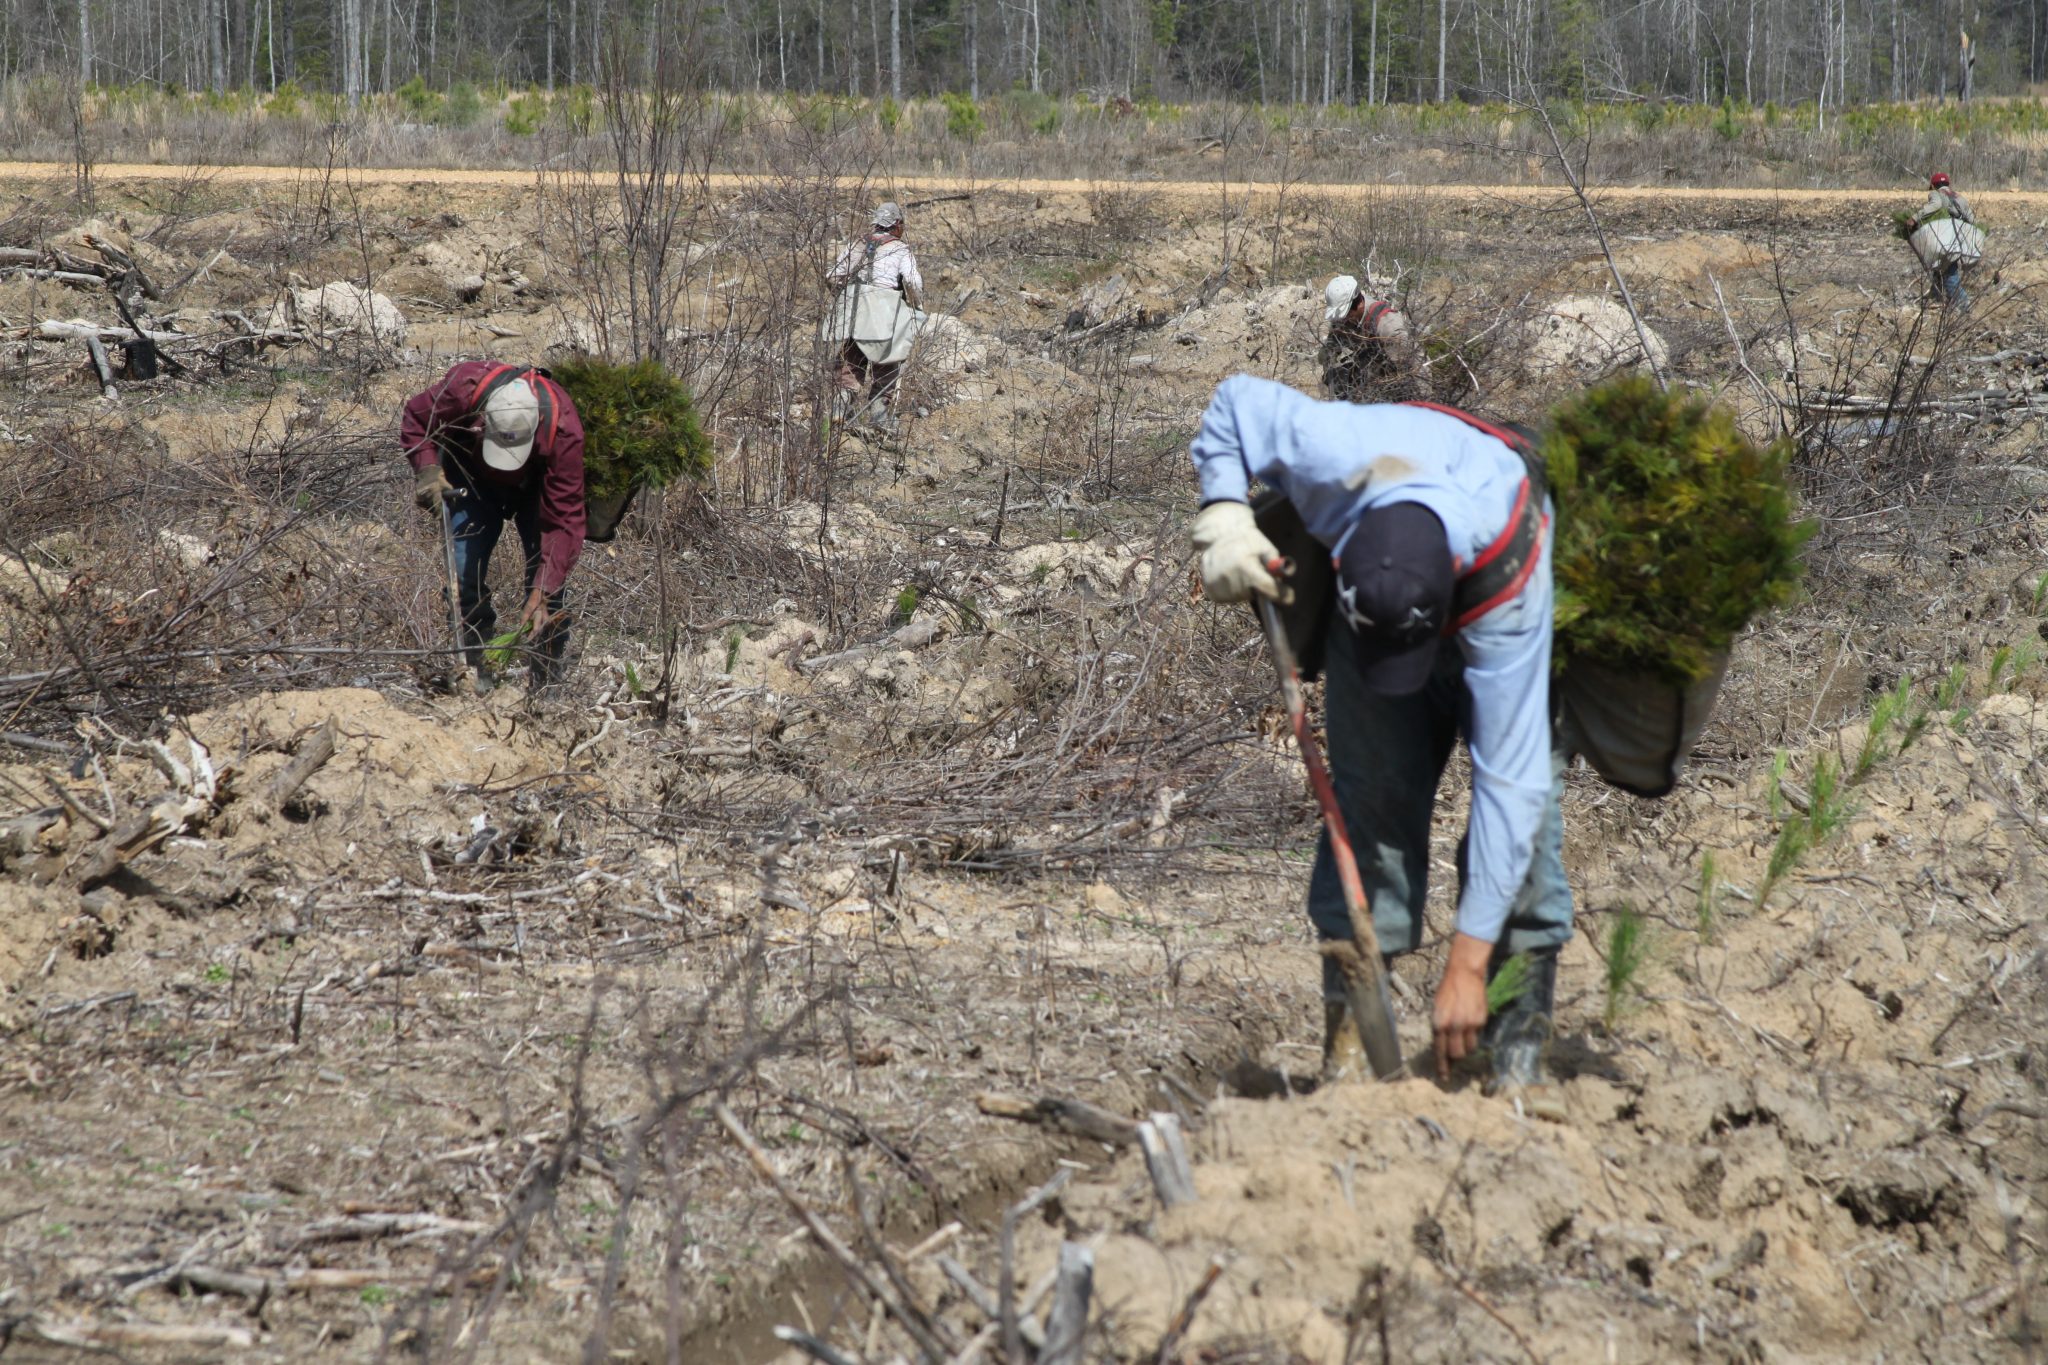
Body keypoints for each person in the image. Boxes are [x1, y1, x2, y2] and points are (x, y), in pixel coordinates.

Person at [1188, 374, 1571, 1117]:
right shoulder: (1328, 454)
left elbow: (1511, 784)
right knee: (1372, 803)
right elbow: (1234, 403)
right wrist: (1225, 510)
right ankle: (1353, 1053)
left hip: (1493, 575)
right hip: (1382, 573)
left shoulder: (1510, 580)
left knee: (1530, 831)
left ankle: (1515, 1048)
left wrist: (1467, 962)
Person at [402, 361, 587, 690]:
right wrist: (428, 470)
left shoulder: (563, 428)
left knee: (549, 583)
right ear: (484, 419)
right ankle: (475, 672)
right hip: (471, 477)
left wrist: (543, 591)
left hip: (536, 486)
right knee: (463, 574)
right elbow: (417, 419)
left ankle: (546, 682)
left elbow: (565, 519)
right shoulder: (464, 389)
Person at [826, 202, 924, 434]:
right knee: (886, 363)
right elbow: (912, 282)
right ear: (897, 225)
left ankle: (839, 411)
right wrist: (915, 306)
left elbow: (832, 275)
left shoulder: (858, 243)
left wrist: (844, 296)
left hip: (855, 310)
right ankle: (879, 418)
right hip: (884, 311)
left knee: (850, 361)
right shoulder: (900, 249)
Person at [1318, 274, 1420, 404]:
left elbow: (1414, 368)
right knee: (1334, 378)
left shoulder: (1388, 327)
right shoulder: (1344, 320)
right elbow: (1329, 351)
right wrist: (1327, 354)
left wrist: (1423, 406)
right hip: (1370, 368)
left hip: (1397, 377)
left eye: (1344, 314)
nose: (1341, 320)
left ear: (1359, 303)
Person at [1906, 172, 1977, 307]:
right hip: (1958, 239)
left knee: (1949, 272)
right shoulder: (1959, 197)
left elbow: (1936, 205)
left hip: (1945, 240)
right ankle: (1936, 296)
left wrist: (1914, 218)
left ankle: (1963, 304)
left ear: (1933, 186)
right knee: (1940, 268)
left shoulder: (1936, 194)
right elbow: (1972, 221)